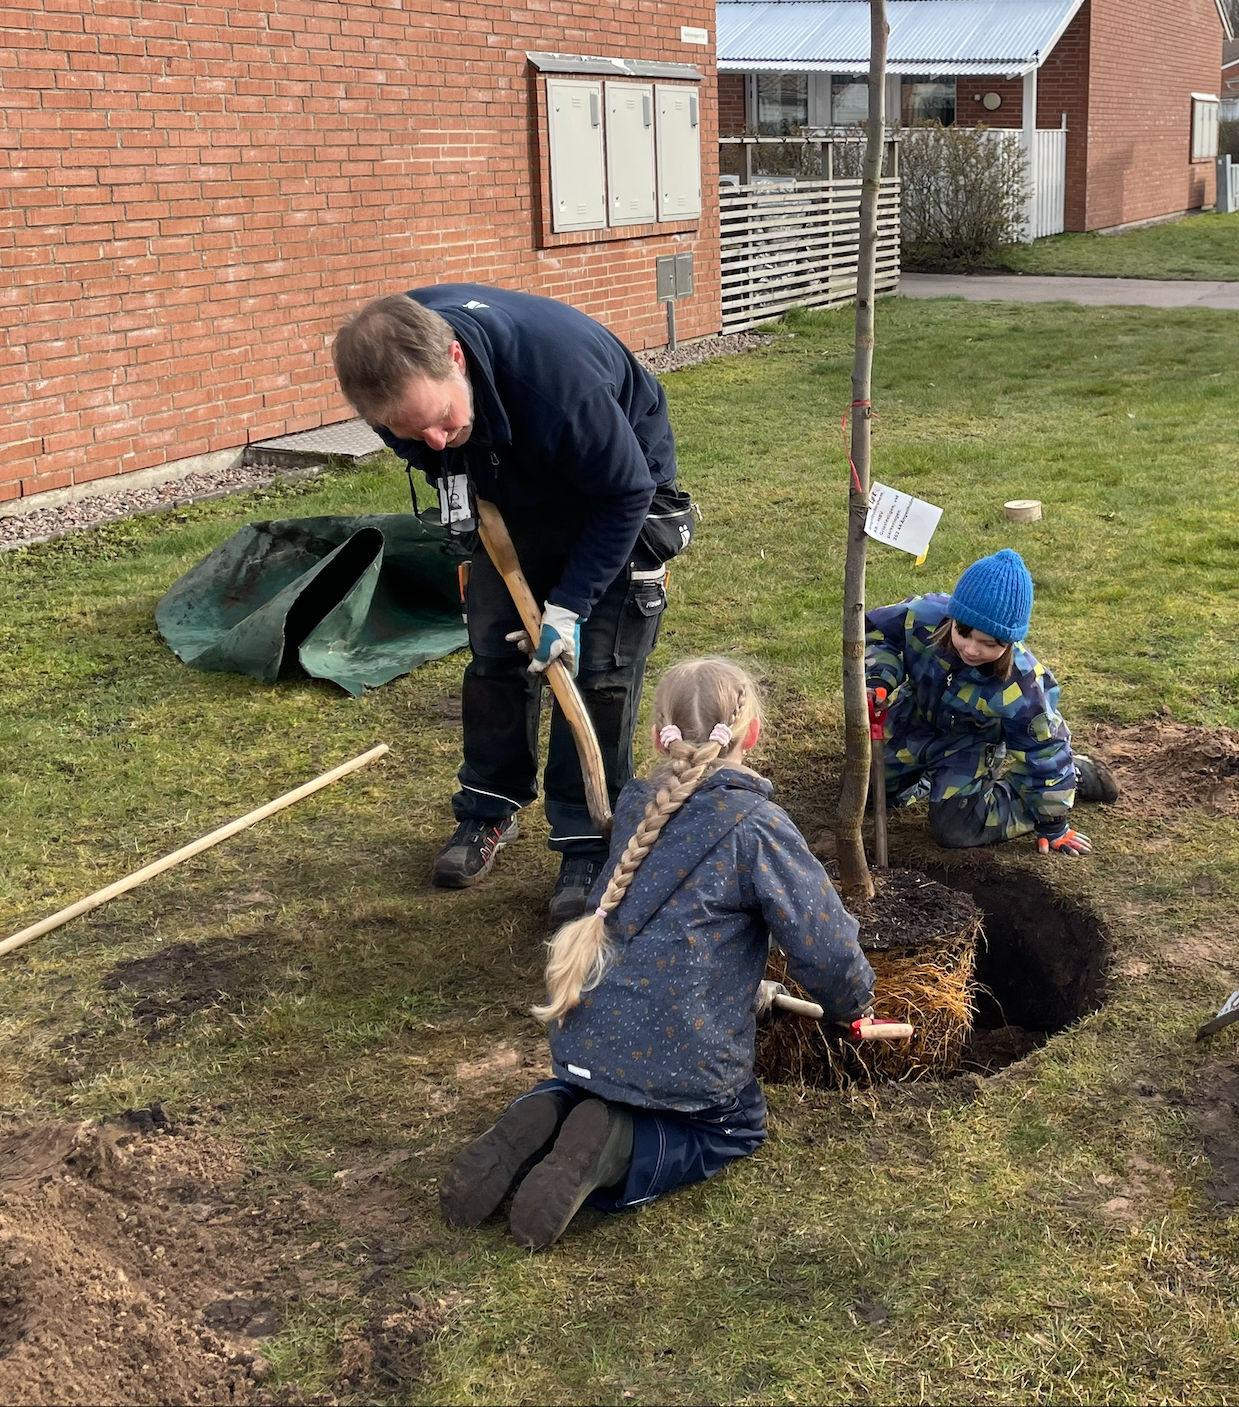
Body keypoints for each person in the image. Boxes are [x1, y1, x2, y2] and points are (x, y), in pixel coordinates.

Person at [439, 657, 879, 1250]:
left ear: (658, 736)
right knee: (735, 1125)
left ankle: (551, 1107)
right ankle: (617, 1146)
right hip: (681, 1055)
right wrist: (853, 1003)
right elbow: (824, 946)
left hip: (583, 1036)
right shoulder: (758, 827)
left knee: (598, 1085)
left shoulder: (636, 808)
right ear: (751, 734)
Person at [333, 287, 693, 923]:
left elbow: (625, 491)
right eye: (409, 429)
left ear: (455, 356)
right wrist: (447, 466)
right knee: (497, 657)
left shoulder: (556, 379)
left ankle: (586, 841)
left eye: (442, 419)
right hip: (511, 498)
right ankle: (488, 808)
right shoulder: (390, 370)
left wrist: (569, 606)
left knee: (597, 675)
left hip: (616, 500)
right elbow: (424, 441)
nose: (436, 441)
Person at [865, 548, 1116, 855]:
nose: (971, 650)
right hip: (912, 720)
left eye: (989, 643)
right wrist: (878, 680)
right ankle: (927, 778)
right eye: (964, 633)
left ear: (1010, 641)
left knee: (956, 829)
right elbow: (879, 633)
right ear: (953, 617)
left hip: (969, 746)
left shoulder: (1024, 684)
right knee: (865, 792)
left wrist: (1052, 823)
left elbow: (1045, 749)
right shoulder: (923, 615)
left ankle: (1075, 775)